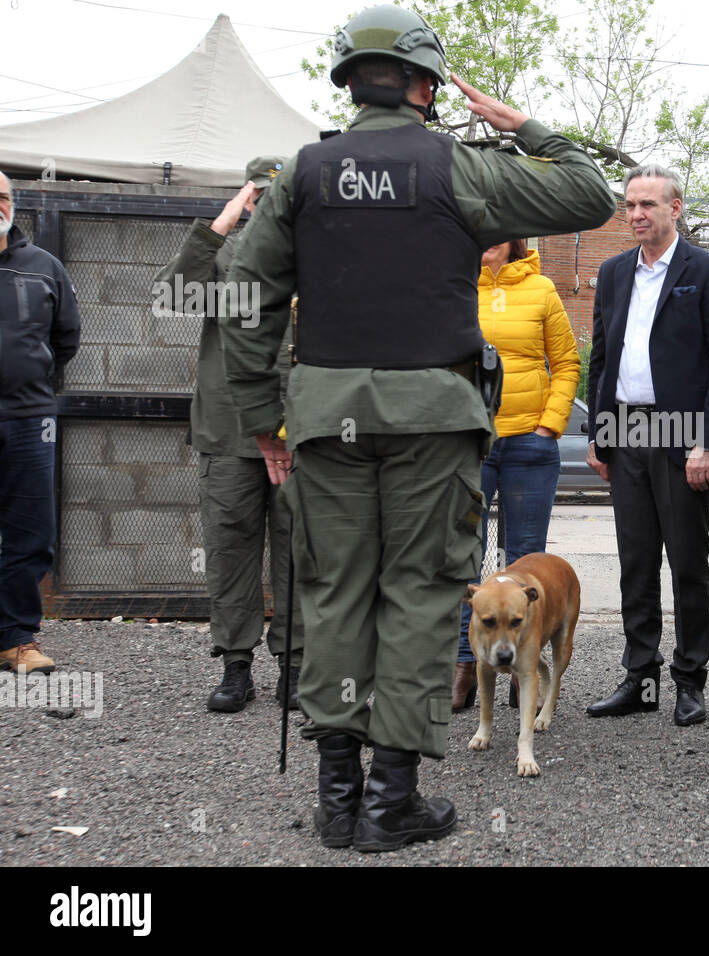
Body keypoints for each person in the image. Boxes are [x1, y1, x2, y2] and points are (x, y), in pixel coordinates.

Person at [217, 5, 614, 853]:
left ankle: (337, 800)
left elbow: (242, 292)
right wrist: (524, 125)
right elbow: (589, 193)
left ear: (349, 83)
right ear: (427, 86)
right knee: (419, 599)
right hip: (433, 425)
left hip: (327, 426)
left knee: (332, 596)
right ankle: (391, 802)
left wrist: (261, 416)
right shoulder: (459, 166)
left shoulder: (303, 174)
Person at [584, 163, 709, 727]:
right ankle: (640, 677)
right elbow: (600, 357)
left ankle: (690, 679)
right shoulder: (611, 273)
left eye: (648, 204)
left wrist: (707, 442)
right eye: (630, 205)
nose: (636, 215)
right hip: (625, 429)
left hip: (681, 431)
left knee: (687, 559)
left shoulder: (708, 271)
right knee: (635, 559)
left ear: (675, 208)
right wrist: (600, 434)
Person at [153, 156, 304, 714]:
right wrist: (220, 222)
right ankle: (236, 664)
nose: (269, 207)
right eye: (258, 197)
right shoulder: (226, 260)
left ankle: (295, 663)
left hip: (300, 432)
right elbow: (171, 297)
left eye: (277, 196)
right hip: (229, 429)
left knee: (301, 553)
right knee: (230, 550)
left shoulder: (315, 259)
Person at [452, 239, 580, 711]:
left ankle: (521, 667)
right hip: (470, 441)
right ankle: (468, 664)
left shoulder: (543, 289)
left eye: (495, 234)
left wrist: (550, 425)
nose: (484, 242)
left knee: (525, 559)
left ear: (513, 242)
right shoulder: (456, 287)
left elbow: (566, 363)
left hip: (530, 439)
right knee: (465, 551)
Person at [0, 170, 81, 675]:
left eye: (2, 196)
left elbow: (66, 338)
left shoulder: (43, 266)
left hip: (28, 420)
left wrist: (29, 381)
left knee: (30, 533)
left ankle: (16, 640)